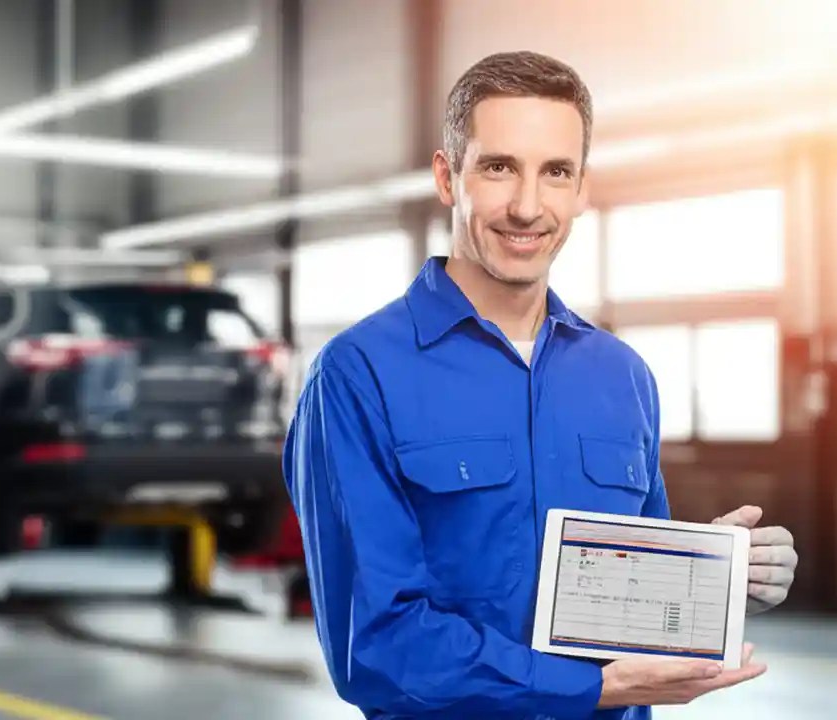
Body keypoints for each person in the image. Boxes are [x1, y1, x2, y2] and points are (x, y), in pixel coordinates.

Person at [282, 50, 798, 719]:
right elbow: (376, 644)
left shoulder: (622, 376)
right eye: (499, 167)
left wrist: (719, 579)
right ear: (448, 177)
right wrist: (592, 690)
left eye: (555, 172)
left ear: (581, 188)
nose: (528, 206)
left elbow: (624, 605)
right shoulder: (357, 376)